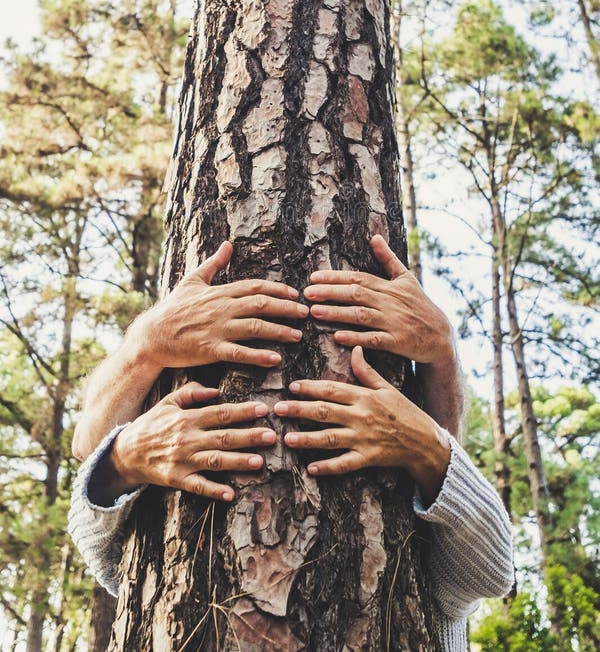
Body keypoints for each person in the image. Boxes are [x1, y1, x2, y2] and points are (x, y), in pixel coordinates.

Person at [68, 235, 513, 652]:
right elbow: (90, 460)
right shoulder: (149, 537)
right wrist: (142, 351)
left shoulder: (431, 553)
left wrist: (440, 369)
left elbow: (492, 567)